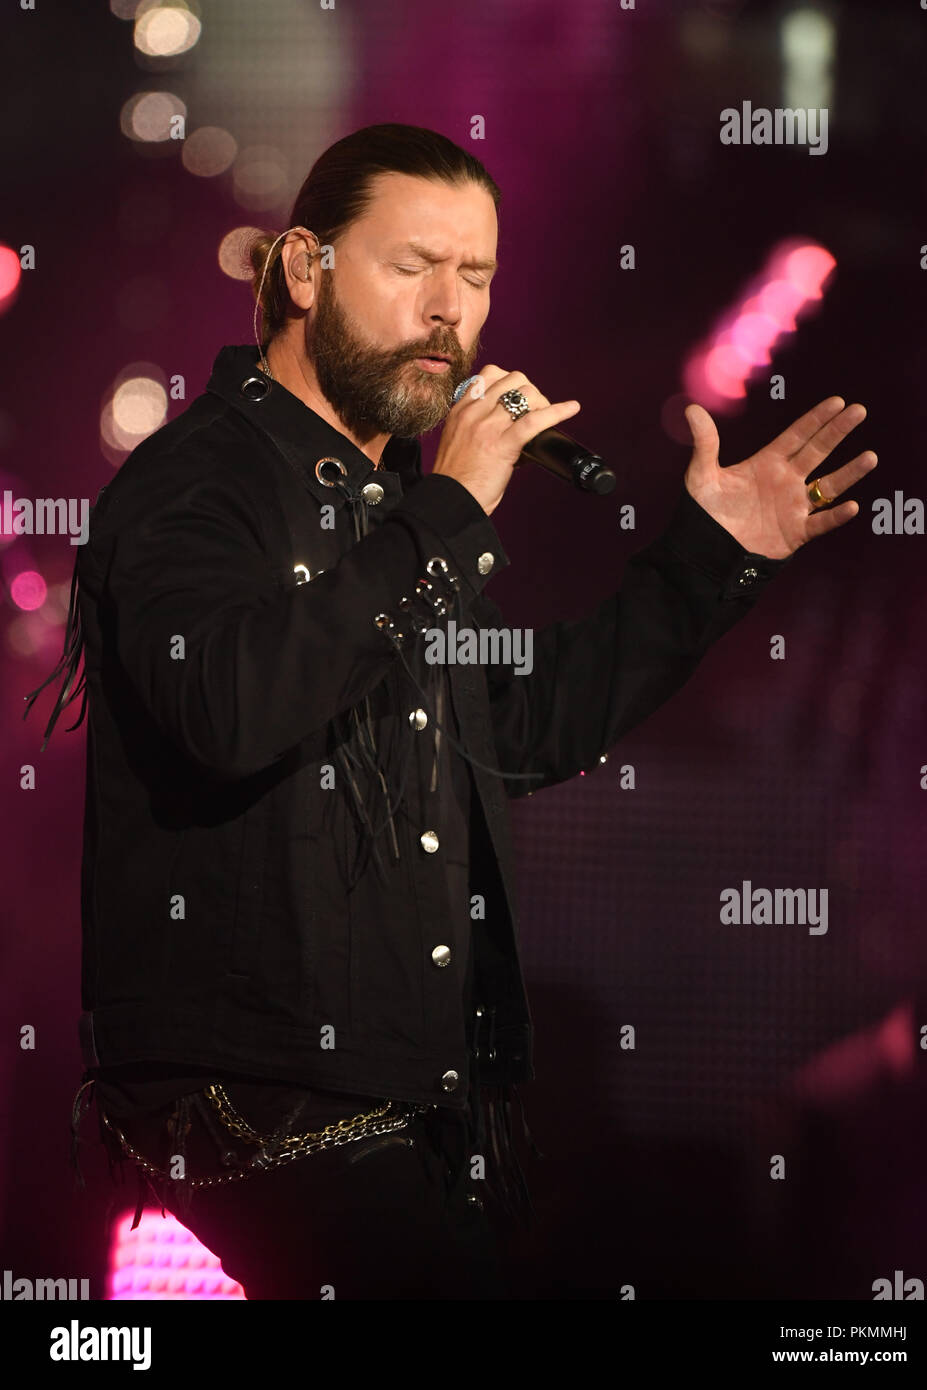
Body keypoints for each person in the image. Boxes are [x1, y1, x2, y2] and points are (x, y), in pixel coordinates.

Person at [26, 123, 876, 1300]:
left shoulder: (394, 521)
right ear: (306, 271)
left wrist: (709, 560)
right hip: (253, 1118)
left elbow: (512, 736)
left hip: (404, 1103)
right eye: (412, 265)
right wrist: (450, 512)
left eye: (474, 276)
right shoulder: (195, 484)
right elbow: (228, 705)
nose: (448, 310)